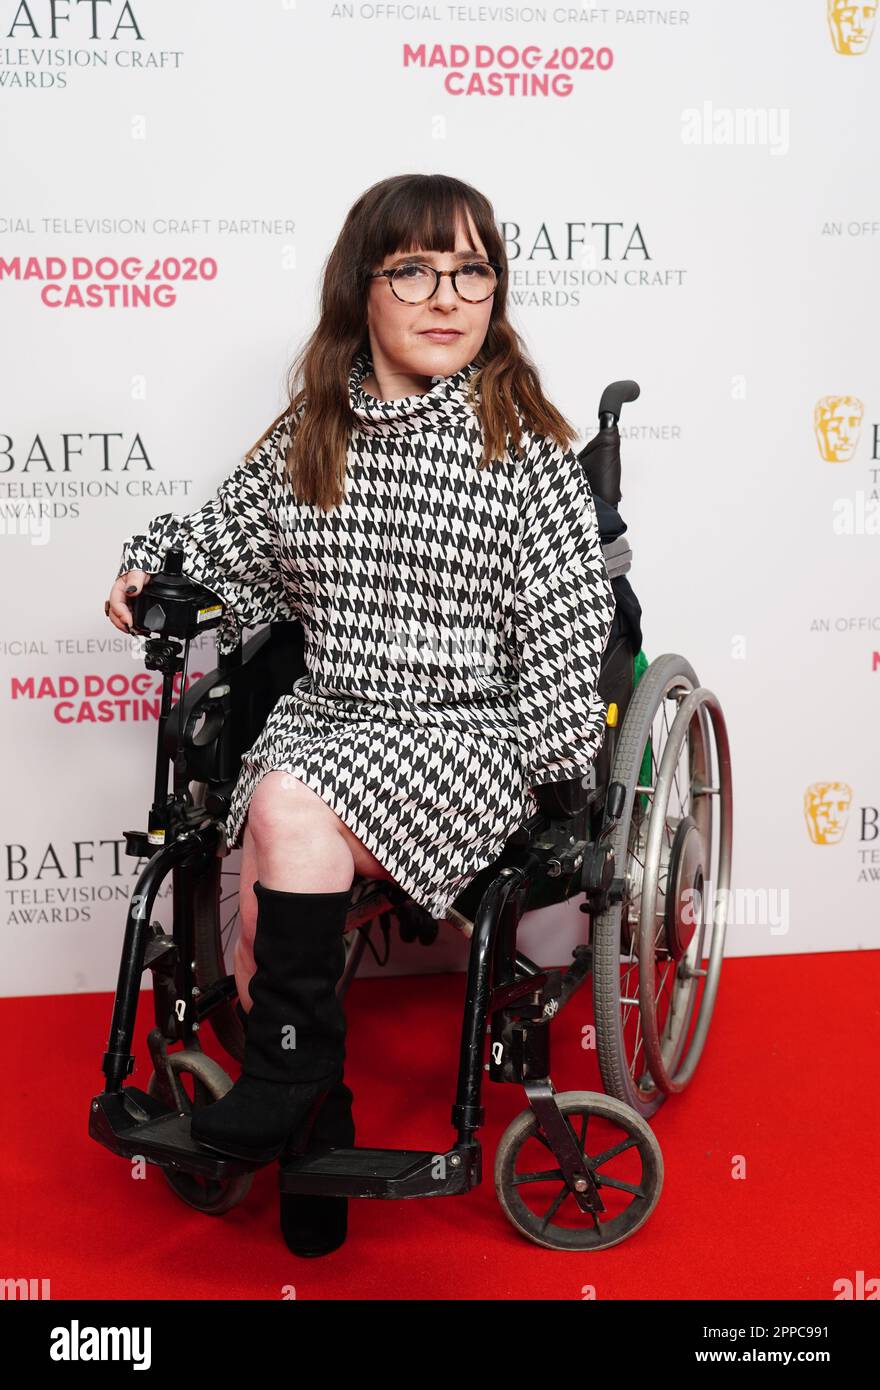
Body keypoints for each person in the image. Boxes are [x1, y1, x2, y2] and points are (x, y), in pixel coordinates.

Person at [105, 173, 616, 1256]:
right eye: (416, 269)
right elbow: (224, 552)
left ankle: (282, 1083)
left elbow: (570, 634)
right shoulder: (315, 432)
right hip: (329, 715)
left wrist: (562, 778)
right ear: (362, 288)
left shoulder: (519, 455)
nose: (449, 295)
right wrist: (152, 564)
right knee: (256, 890)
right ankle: (315, 1120)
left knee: (285, 808)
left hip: (466, 733)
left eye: (473, 269)